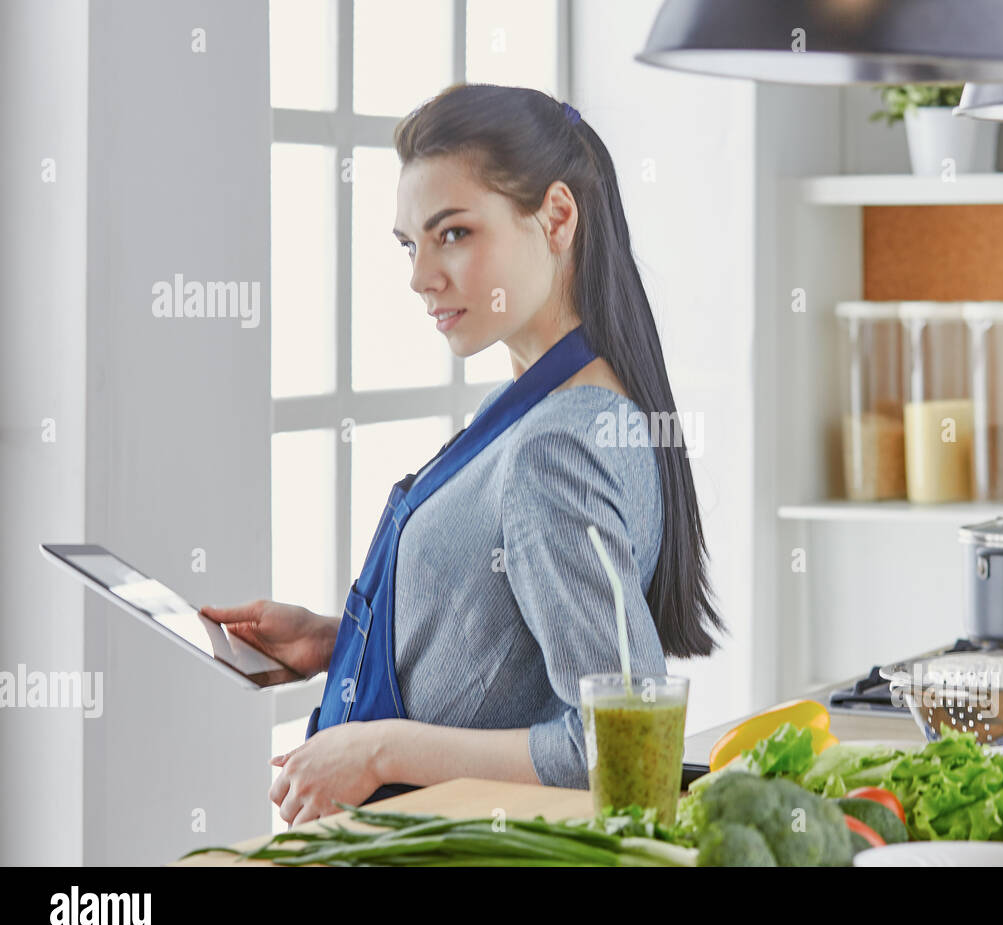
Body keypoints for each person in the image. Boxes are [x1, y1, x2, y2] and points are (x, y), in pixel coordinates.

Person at [201, 84, 723, 827]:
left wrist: (381, 751)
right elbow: (507, 638)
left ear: (557, 217)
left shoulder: (561, 443)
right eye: (410, 244)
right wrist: (338, 638)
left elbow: (620, 740)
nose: (420, 276)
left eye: (454, 234)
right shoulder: (535, 405)